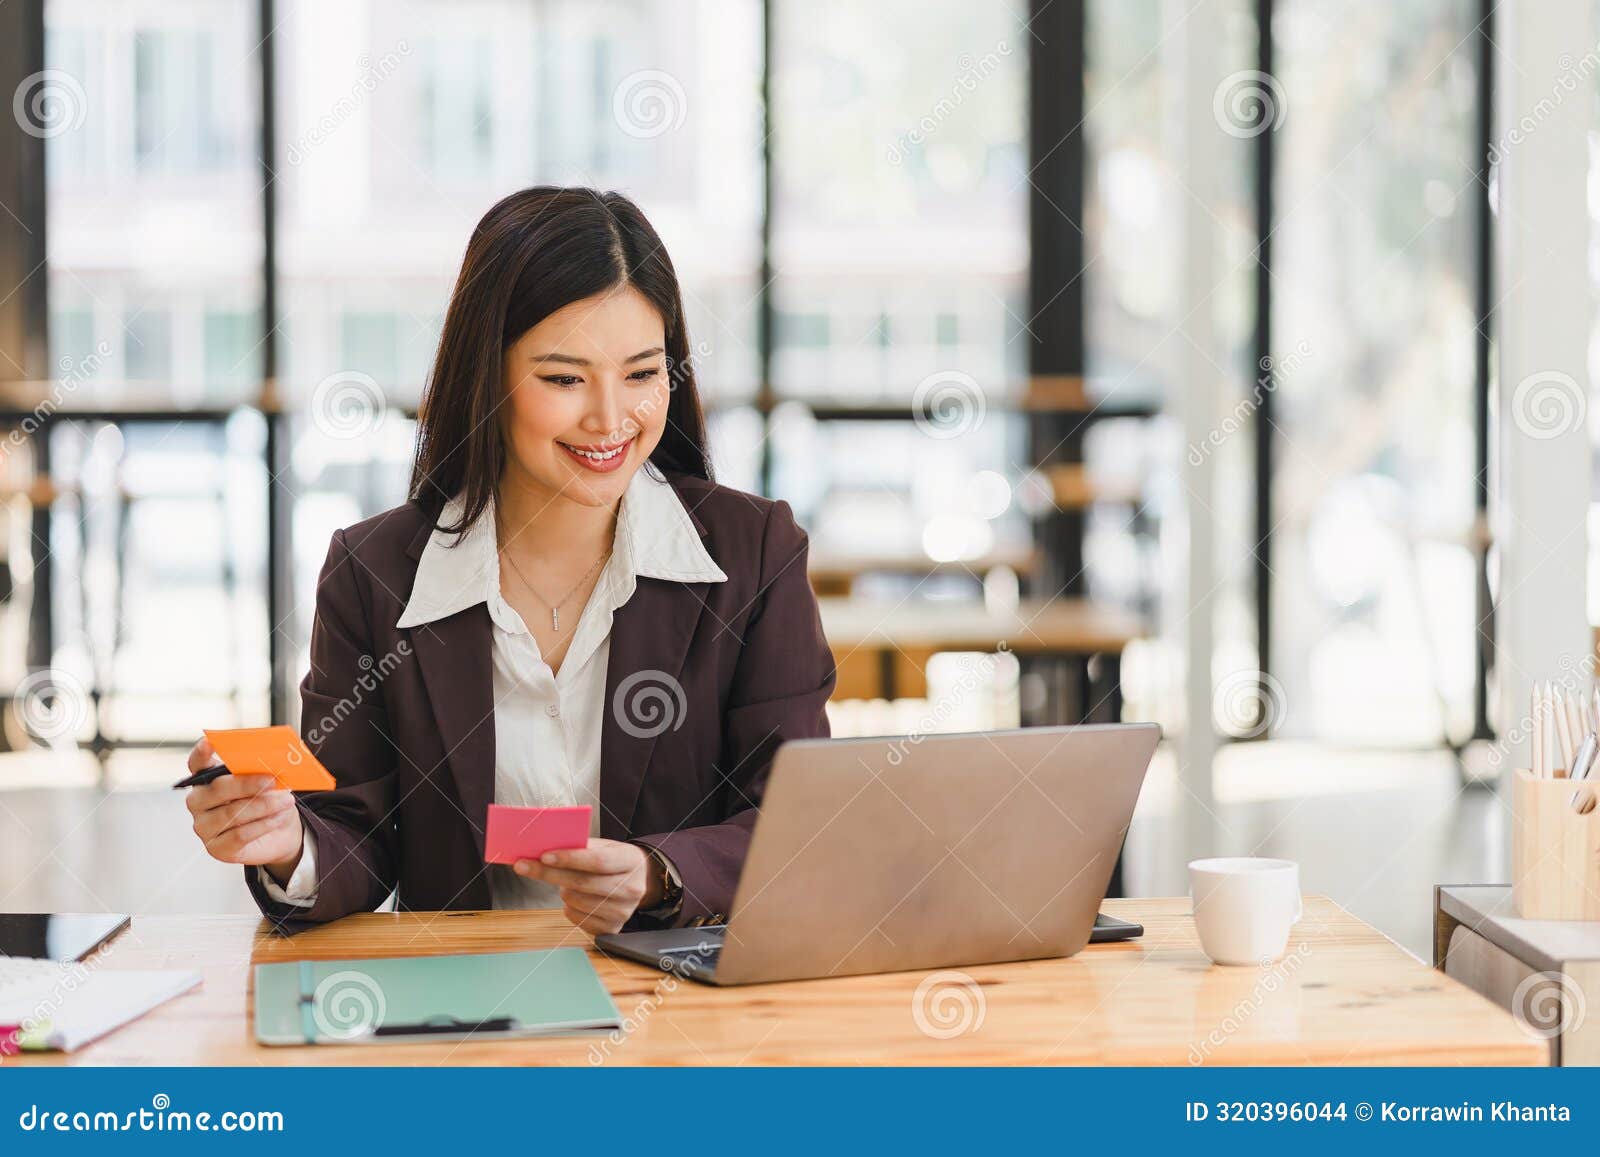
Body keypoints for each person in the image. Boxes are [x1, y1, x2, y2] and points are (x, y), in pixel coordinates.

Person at [182, 186, 835, 934]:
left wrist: (660, 874)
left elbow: (793, 823)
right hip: (462, 1014)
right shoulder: (374, 572)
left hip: (675, 1010)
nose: (610, 417)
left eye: (643, 372)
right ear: (486, 376)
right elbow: (354, 828)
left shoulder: (755, 554)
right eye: (563, 378)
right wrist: (286, 841)